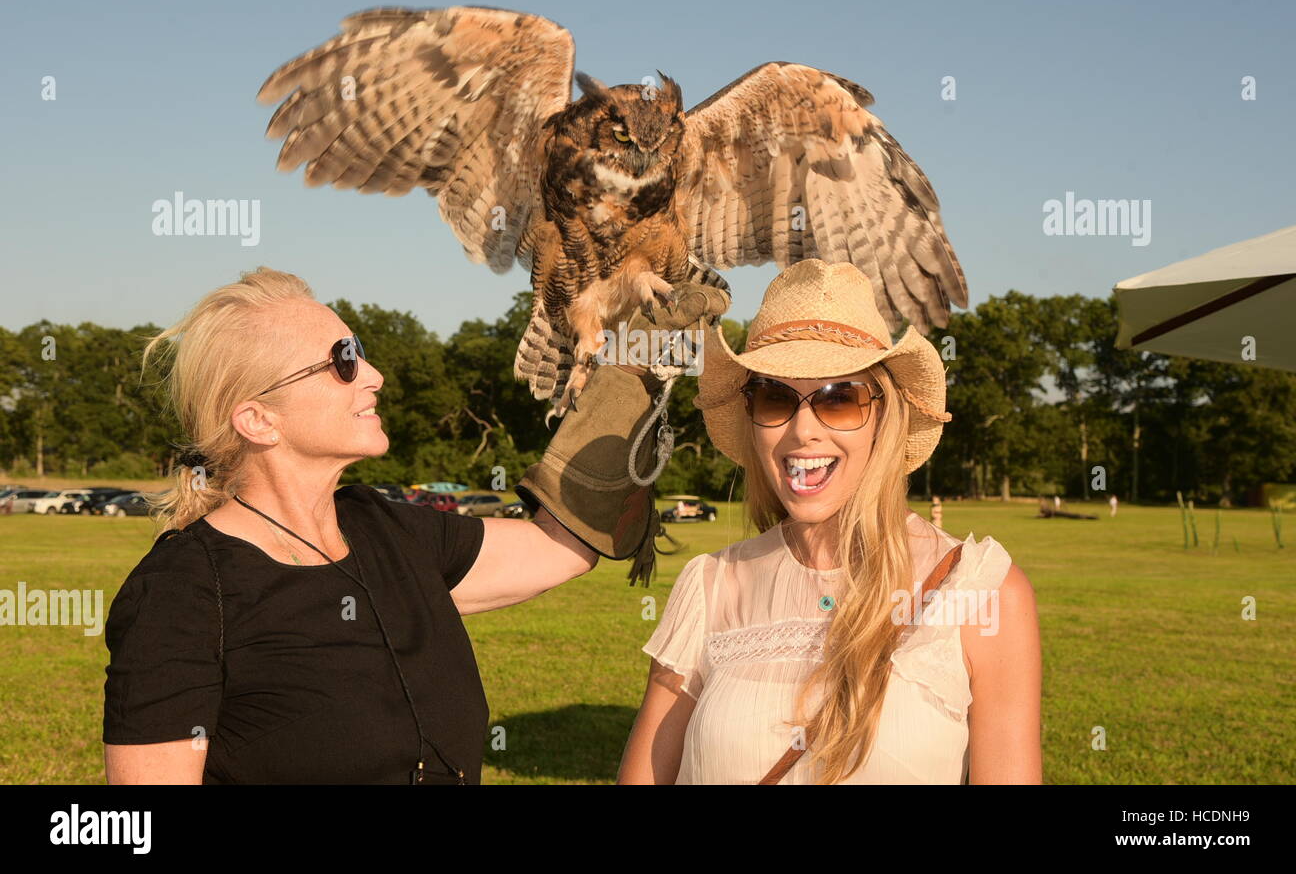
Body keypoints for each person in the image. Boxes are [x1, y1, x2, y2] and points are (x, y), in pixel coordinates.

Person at [102, 266, 728, 784]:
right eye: (341, 361)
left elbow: (557, 547)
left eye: (361, 352)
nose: (372, 375)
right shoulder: (181, 592)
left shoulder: (387, 532)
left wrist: (631, 370)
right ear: (258, 420)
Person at [618, 259, 1041, 784]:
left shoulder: (982, 592)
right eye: (775, 397)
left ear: (885, 418)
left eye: (839, 400)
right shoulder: (709, 586)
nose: (802, 431)